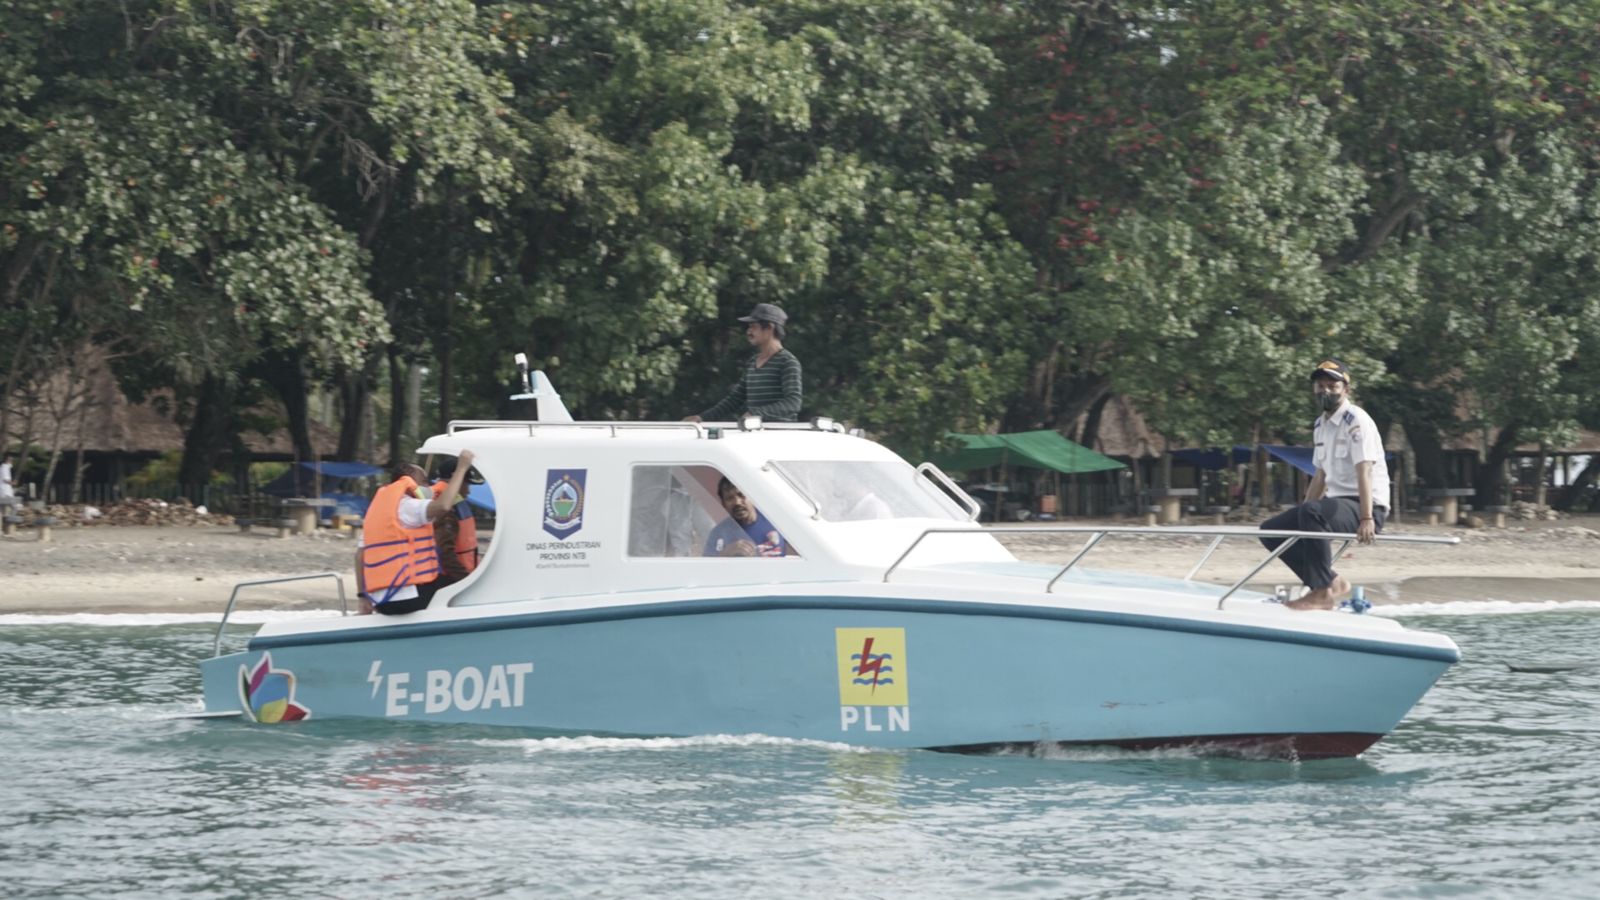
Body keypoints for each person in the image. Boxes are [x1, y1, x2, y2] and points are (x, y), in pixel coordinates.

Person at [1260, 359, 1391, 610]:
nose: (1325, 390)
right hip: (1336, 505)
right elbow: (1320, 475)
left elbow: (1365, 471)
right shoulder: (1320, 425)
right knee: (1270, 530)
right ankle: (1333, 582)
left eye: (1332, 385)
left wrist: (1366, 518)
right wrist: (1300, 514)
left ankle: (1321, 593)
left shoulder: (1357, 421)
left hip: (1367, 506)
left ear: (1346, 389)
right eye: (1320, 385)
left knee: (1312, 511)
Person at [356, 450, 476, 615]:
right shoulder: (408, 506)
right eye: (424, 482)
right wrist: (462, 468)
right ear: (408, 480)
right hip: (408, 598)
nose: (428, 487)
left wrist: (362, 596)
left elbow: (359, 555)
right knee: (462, 586)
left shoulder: (376, 512)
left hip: (381, 601)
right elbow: (443, 506)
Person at [685, 303, 802, 423]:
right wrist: (702, 418)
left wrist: (755, 413)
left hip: (779, 435)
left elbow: (793, 402)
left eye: (753, 327)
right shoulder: (753, 361)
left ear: (769, 328)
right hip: (755, 433)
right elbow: (735, 399)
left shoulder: (787, 362)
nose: (749, 332)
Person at [430, 456, 483, 585]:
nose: (469, 491)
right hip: (449, 579)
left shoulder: (440, 501)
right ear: (456, 480)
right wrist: (466, 581)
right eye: (467, 484)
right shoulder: (447, 508)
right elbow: (445, 553)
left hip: (455, 577)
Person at [704, 477, 787, 557]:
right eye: (729, 498)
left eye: (741, 495)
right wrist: (726, 554)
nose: (737, 502)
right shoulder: (719, 533)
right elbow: (707, 568)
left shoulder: (777, 522)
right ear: (723, 504)